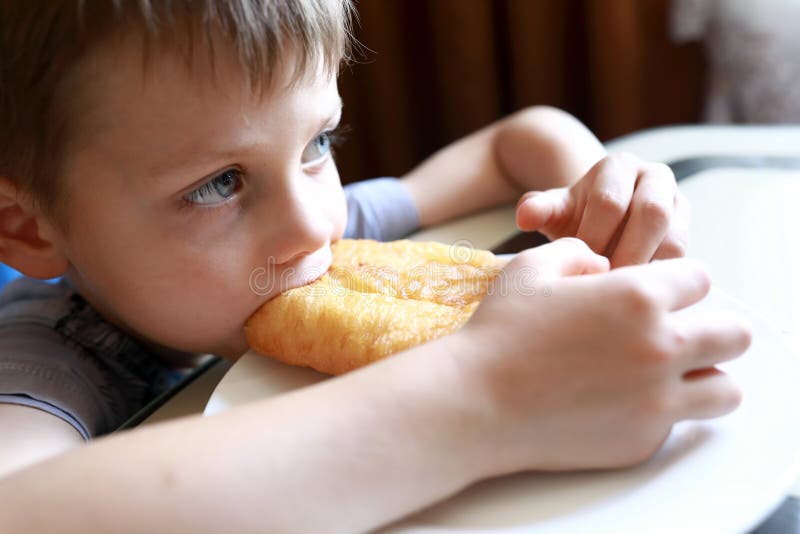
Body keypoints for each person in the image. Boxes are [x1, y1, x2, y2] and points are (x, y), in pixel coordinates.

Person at [0, 1, 750, 532]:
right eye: (219, 184)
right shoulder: (47, 359)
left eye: (317, 143)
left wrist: (598, 194)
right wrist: (485, 395)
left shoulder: (311, 239)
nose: (314, 223)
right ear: (29, 228)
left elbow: (515, 144)